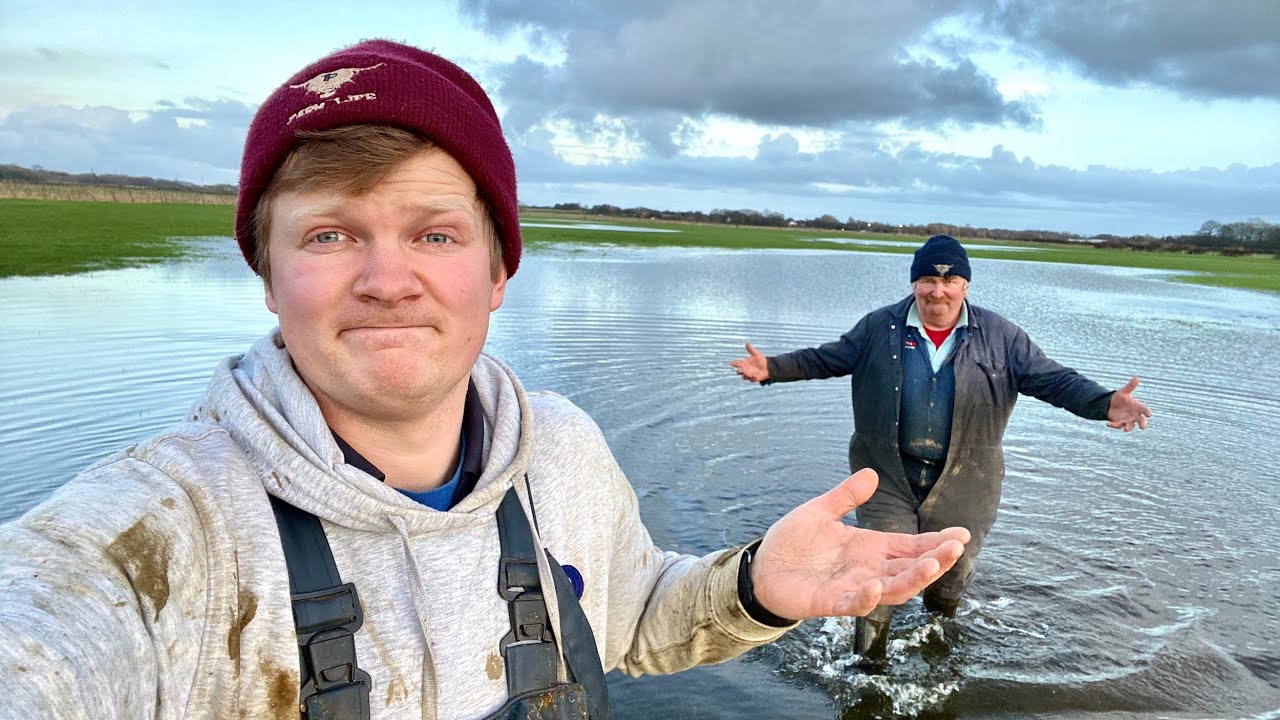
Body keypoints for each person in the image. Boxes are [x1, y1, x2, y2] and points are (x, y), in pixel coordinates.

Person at [0, 41, 970, 719]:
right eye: (330, 234)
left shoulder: (560, 451)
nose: (387, 279)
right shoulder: (150, 542)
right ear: (266, 273)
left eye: (434, 234)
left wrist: (754, 586)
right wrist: (773, 372)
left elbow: (633, 618)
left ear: (498, 271)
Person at [729, 234, 1151, 669]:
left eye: (949, 281)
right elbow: (826, 359)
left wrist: (1103, 403)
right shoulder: (879, 327)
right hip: (886, 477)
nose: (938, 291)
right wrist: (772, 369)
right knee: (876, 569)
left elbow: (1055, 381)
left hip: (967, 481)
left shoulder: (1003, 337)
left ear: (965, 285)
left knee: (952, 569)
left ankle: (938, 636)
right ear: (914, 283)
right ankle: (868, 665)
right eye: (928, 280)